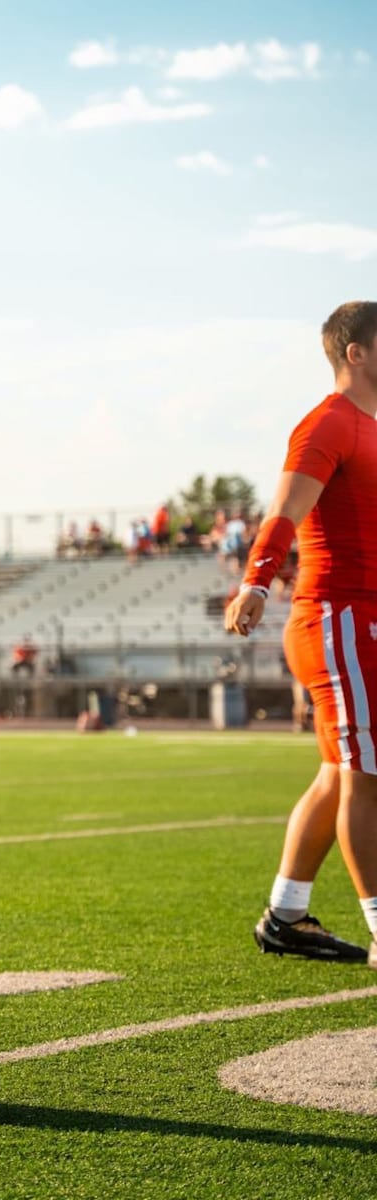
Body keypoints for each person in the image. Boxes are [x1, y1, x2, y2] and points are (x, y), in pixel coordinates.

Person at [224, 300, 377, 967]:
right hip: (338, 615)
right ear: (357, 352)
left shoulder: (370, 425)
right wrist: (256, 583)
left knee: (338, 773)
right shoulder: (329, 422)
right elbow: (286, 509)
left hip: (361, 615)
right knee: (366, 777)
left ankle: (286, 914)